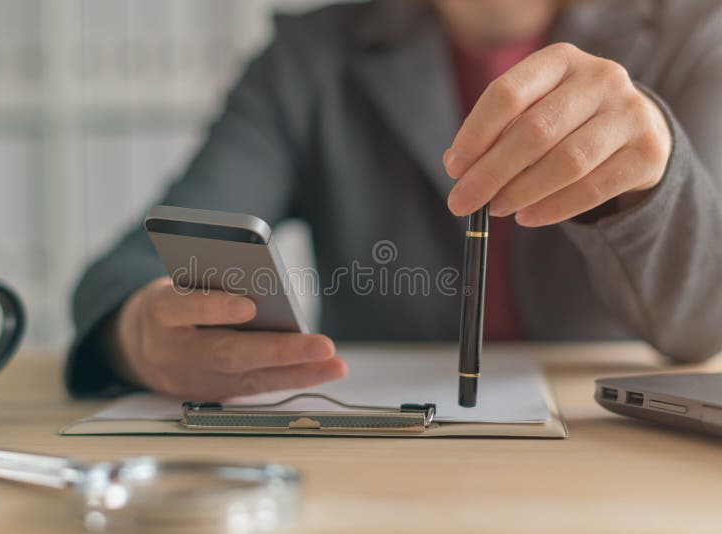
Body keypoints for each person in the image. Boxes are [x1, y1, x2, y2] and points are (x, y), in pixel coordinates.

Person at [67, 0, 722, 400]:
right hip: (376, 462)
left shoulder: (695, 37)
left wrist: (653, 179)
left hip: (603, 465)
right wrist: (140, 333)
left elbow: (704, 324)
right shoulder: (309, 60)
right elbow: (129, 273)